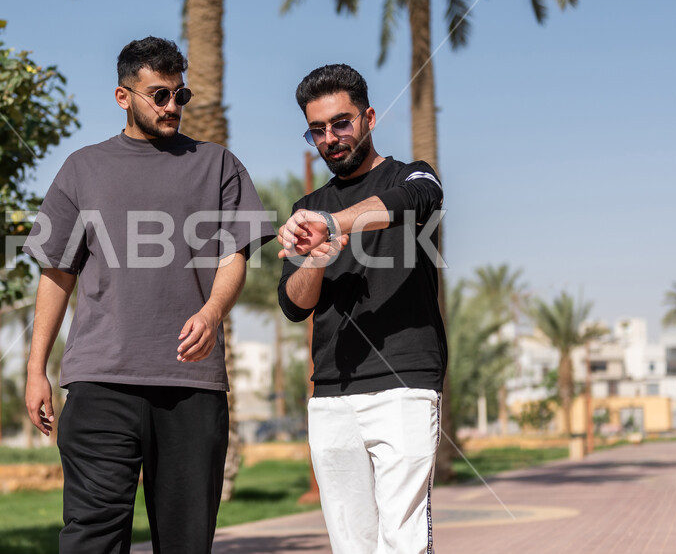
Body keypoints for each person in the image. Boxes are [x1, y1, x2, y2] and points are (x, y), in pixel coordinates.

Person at [23, 36, 274, 554]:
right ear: (123, 96)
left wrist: (212, 310)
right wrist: (35, 369)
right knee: (89, 539)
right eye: (158, 95)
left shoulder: (218, 165)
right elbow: (57, 273)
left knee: (186, 543)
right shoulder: (82, 168)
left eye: (179, 96)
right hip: (99, 382)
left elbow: (235, 256)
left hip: (191, 384)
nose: (171, 107)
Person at [276, 63, 447, 554]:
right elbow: (293, 306)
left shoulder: (410, 175)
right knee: (350, 545)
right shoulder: (307, 205)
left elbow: (421, 198)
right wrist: (314, 260)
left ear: (369, 117)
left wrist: (333, 223)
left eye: (341, 122)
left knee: (402, 540)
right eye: (317, 130)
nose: (331, 138)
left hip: (405, 385)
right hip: (332, 393)